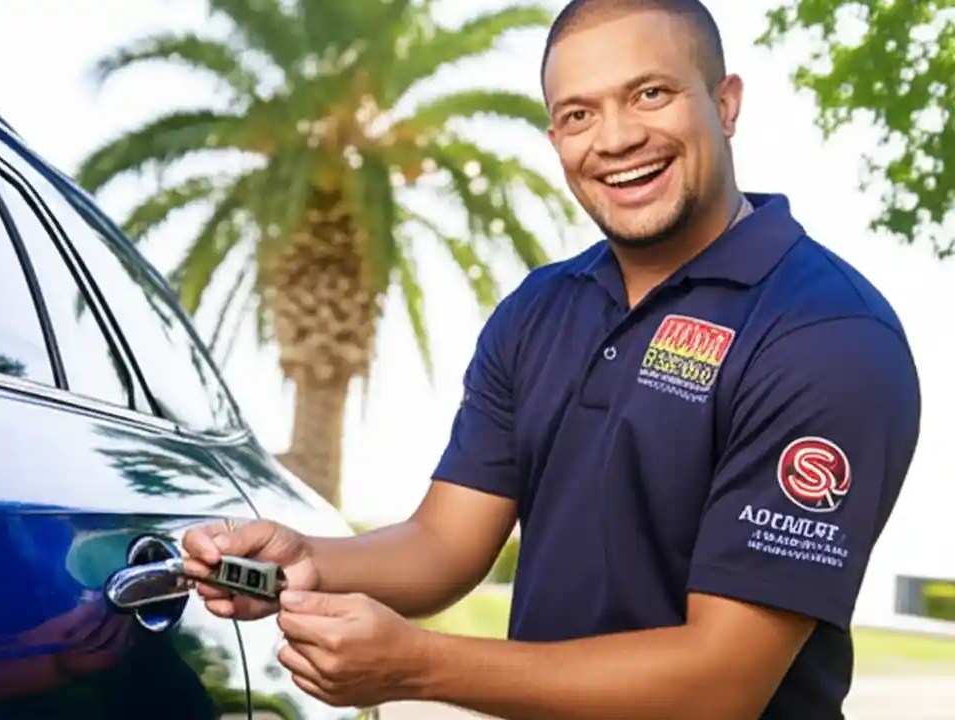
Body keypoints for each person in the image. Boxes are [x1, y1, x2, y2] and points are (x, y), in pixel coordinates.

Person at [183, 0, 923, 717]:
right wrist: (305, 561)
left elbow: (719, 685)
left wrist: (419, 665)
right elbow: (444, 542)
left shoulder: (826, 334)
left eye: (651, 94)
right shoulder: (539, 309)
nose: (616, 138)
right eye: (578, 114)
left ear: (725, 105)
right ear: (555, 138)